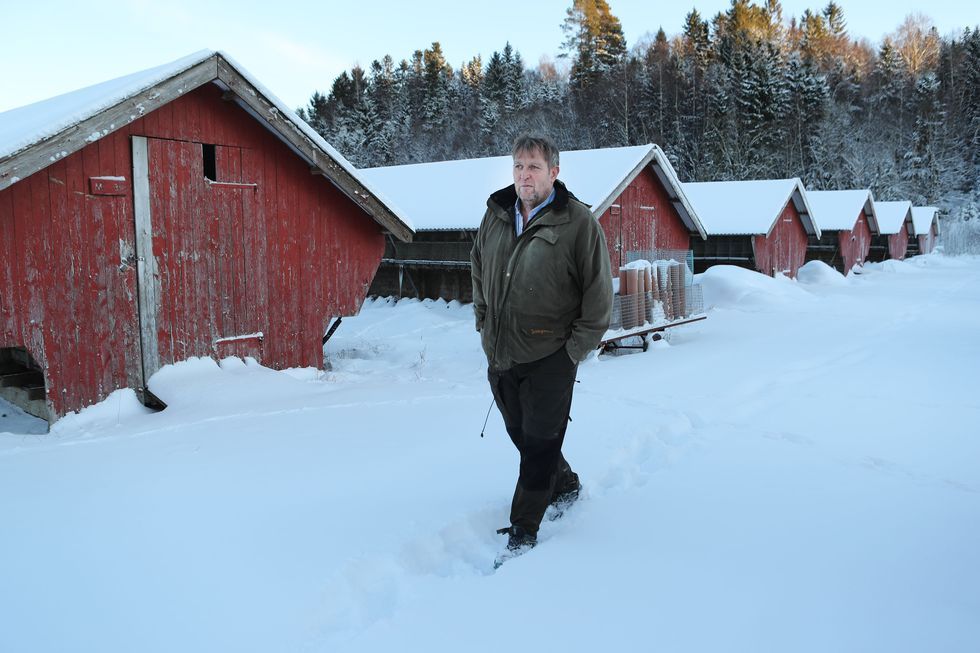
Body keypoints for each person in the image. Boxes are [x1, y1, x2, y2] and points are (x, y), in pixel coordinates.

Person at [471, 134, 613, 554]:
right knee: (522, 434)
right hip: (501, 353)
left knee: (538, 445)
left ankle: (524, 530)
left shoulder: (578, 223)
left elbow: (598, 296)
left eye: (533, 166)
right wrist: (483, 322)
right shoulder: (496, 216)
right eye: (518, 166)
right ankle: (564, 484)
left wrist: (573, 352)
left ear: (554, 172)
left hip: (552, 355)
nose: (523, 174)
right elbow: (477, 270)